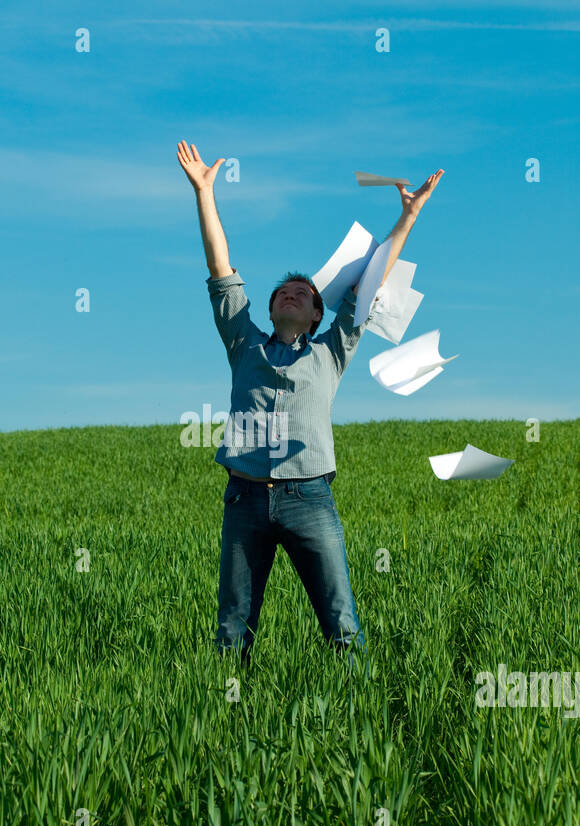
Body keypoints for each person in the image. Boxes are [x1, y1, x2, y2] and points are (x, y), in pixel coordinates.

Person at [176, 140, 443, 673]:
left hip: (310, 497)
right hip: (244, 500)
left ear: (318, 314)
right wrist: (205, 193)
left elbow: (366, 289)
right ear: (271, 307)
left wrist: (407, 217)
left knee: (341, 624)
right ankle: (226, 724)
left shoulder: (331, 351)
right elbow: (221, 270)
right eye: (283, 292)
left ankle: (357, 714)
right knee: (232, 633)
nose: (291, 294)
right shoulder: (243, 345)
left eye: (303, 292)